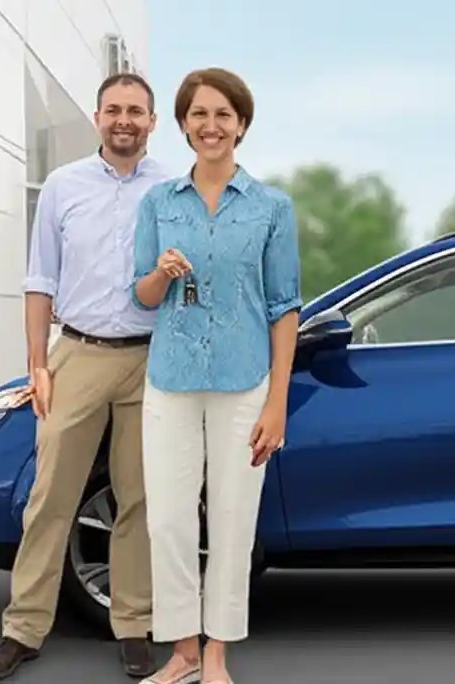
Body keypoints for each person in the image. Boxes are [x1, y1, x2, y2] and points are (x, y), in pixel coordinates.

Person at [0, 72, 171, 682]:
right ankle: (24, 629)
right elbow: (41, 281)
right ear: (97, 118)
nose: (124, 120)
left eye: (136, 111)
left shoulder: (173, 189)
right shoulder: (63, 187)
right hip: (78, 356)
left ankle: (133, 625)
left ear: (152, 122)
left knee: (138, 497)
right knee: (50, 497)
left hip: (151, 358)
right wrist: (38, 362)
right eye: (114, 109)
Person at [130, 67, 302, 684]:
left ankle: (218, 659)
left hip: (244, 382)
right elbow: (142, 295)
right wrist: (161, 273)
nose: (212, 126)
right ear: (182, 126)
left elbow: (285, 306)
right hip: (171, 379)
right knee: (169, 520)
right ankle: (181, 652)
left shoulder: (271, 207)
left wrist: (276, 402)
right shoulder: (157, 204)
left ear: (242, 125)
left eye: (223, 115)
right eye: (199, 114)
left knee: (233, 521)